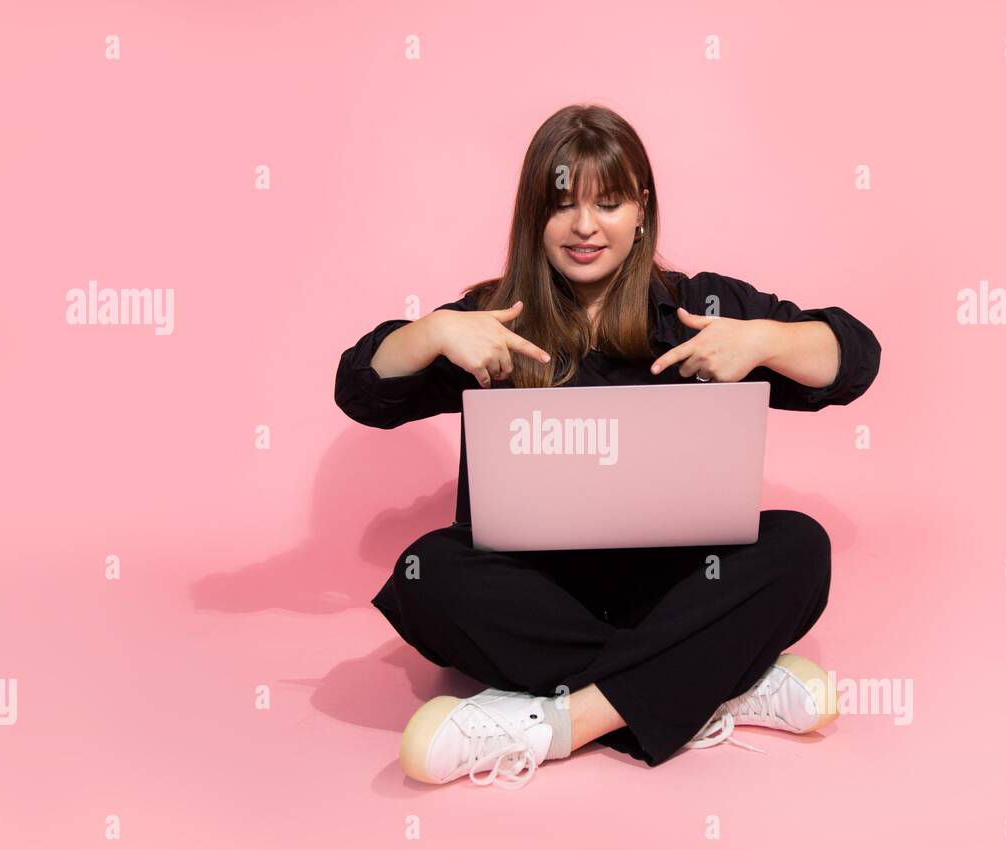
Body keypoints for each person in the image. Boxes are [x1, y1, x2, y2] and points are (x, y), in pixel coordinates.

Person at [334, 104, 882, 790]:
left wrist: (765, 340)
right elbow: (357, 390)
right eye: (563, 205)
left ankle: (552, 723)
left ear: (641, 209)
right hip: (536, 594)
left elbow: (856, 355)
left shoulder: (697, 308)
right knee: (427, 573)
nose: (586, 227)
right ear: (534, 216)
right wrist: (432, 333)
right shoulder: (493, 318)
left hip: (675, 588)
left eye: (610, 202)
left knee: (800, 547)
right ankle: (720, 685)